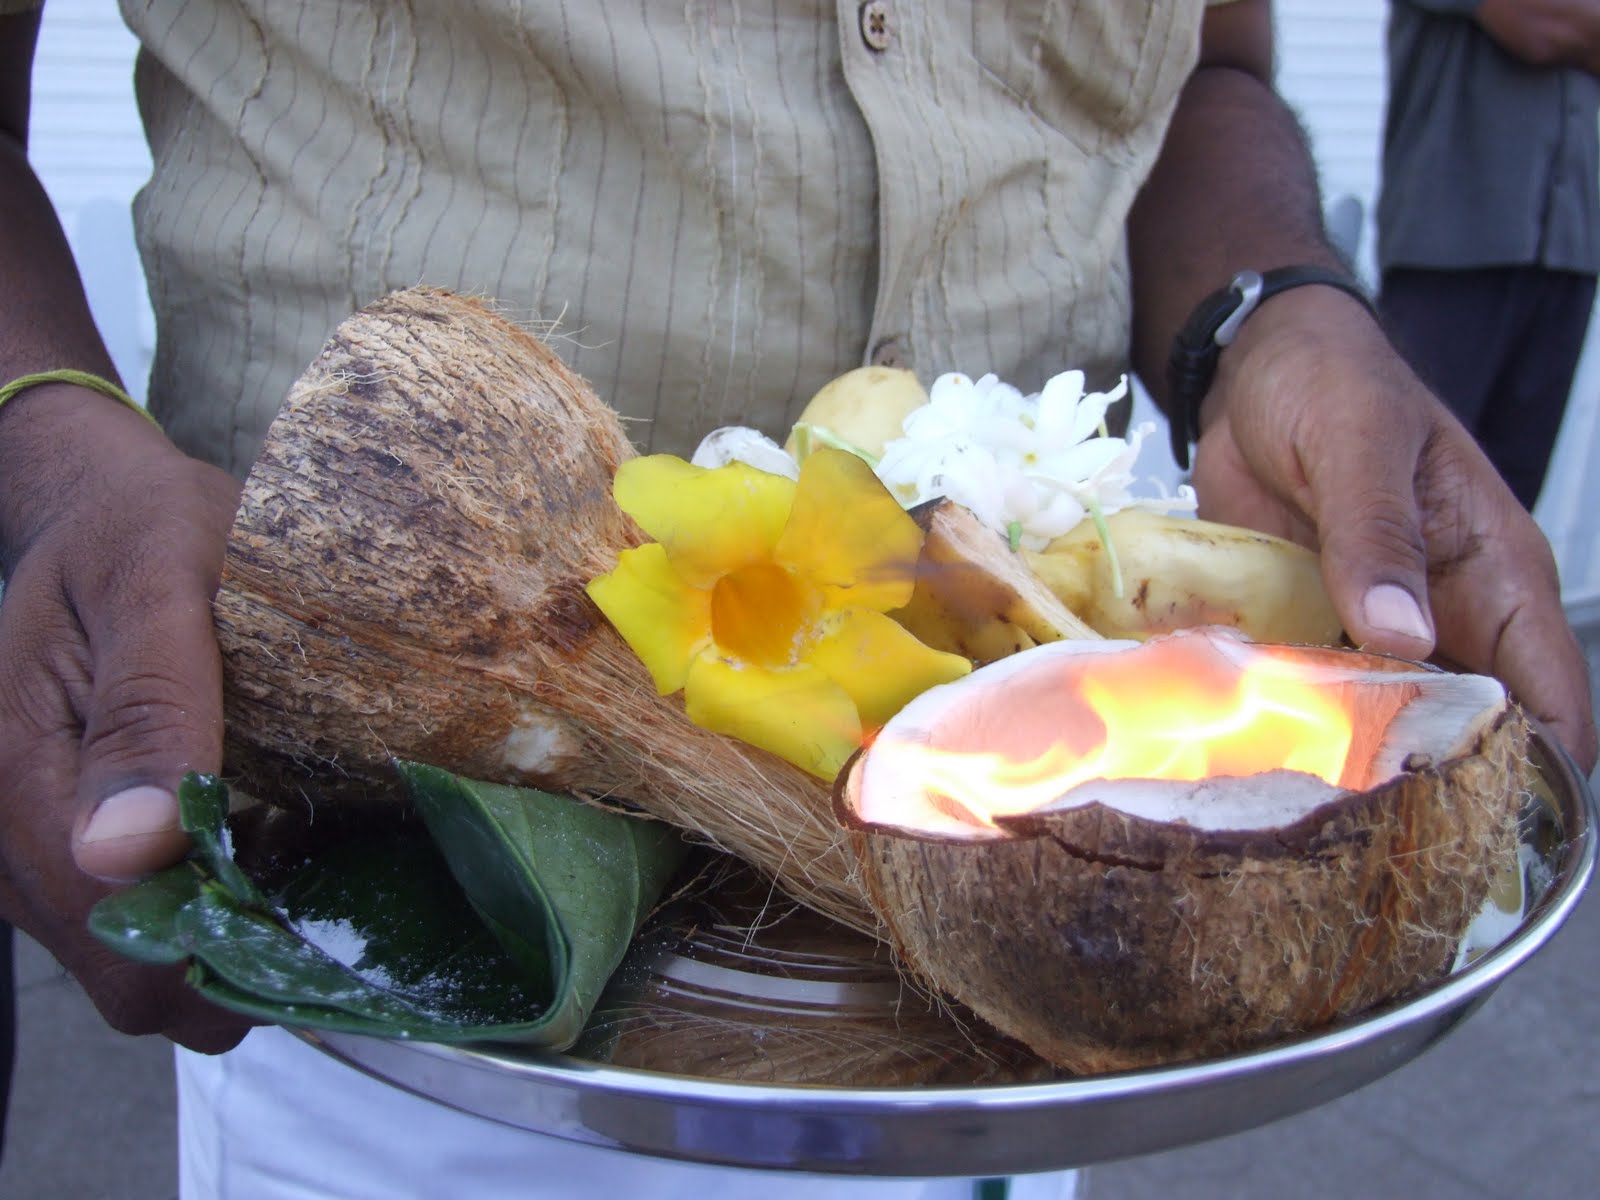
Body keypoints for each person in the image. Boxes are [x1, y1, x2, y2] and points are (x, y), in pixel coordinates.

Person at [1, 1, 1594, 1196]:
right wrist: (54, 438)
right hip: (424, 921)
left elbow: (1210, 65)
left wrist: (1268, 302)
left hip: (1051, 934)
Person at [1377, 0, 1600, 510]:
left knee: (1510, 505)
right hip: (1452, 249)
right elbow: (1535, 25)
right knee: (1412, 491)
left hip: (1568, 250)